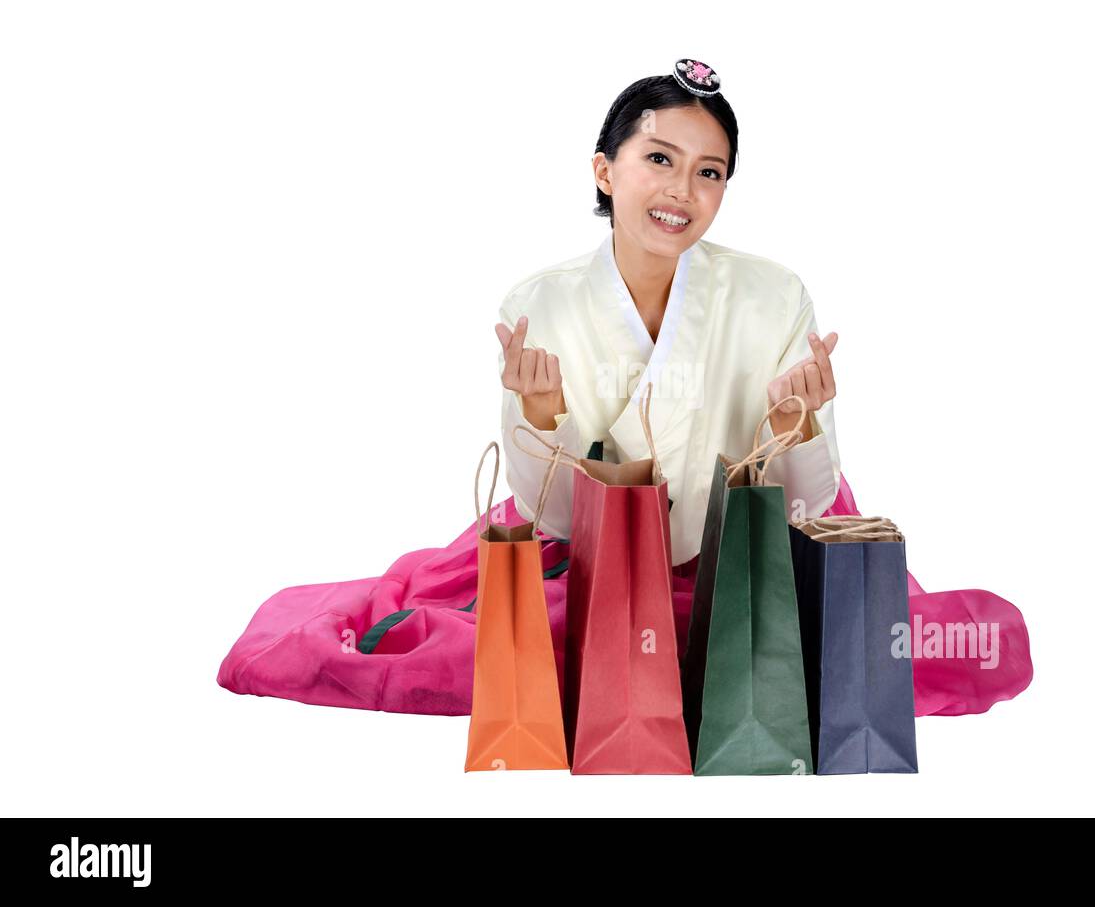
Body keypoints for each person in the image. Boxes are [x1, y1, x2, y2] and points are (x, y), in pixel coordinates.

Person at [217, 59, 1033, 720]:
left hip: (742, 547)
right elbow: (561, 518)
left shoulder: (775, 295)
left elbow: (809, 505)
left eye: (708, 171)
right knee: (553, 664)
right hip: (600, 554)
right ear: (606, 171)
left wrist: (794, 420)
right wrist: (538, 415)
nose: (682, 190)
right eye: (659, 160)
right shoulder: (537, 302)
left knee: (823, 662)